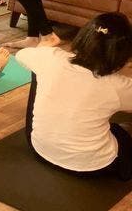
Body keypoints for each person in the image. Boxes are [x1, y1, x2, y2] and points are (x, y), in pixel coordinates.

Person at [16, 12, 132, 180]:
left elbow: (21, 55)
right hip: (94, 167)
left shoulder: (52, 57)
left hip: (40, 149)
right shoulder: (119, 85)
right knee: (124, 132)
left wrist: (45, 47)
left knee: (38, 69)